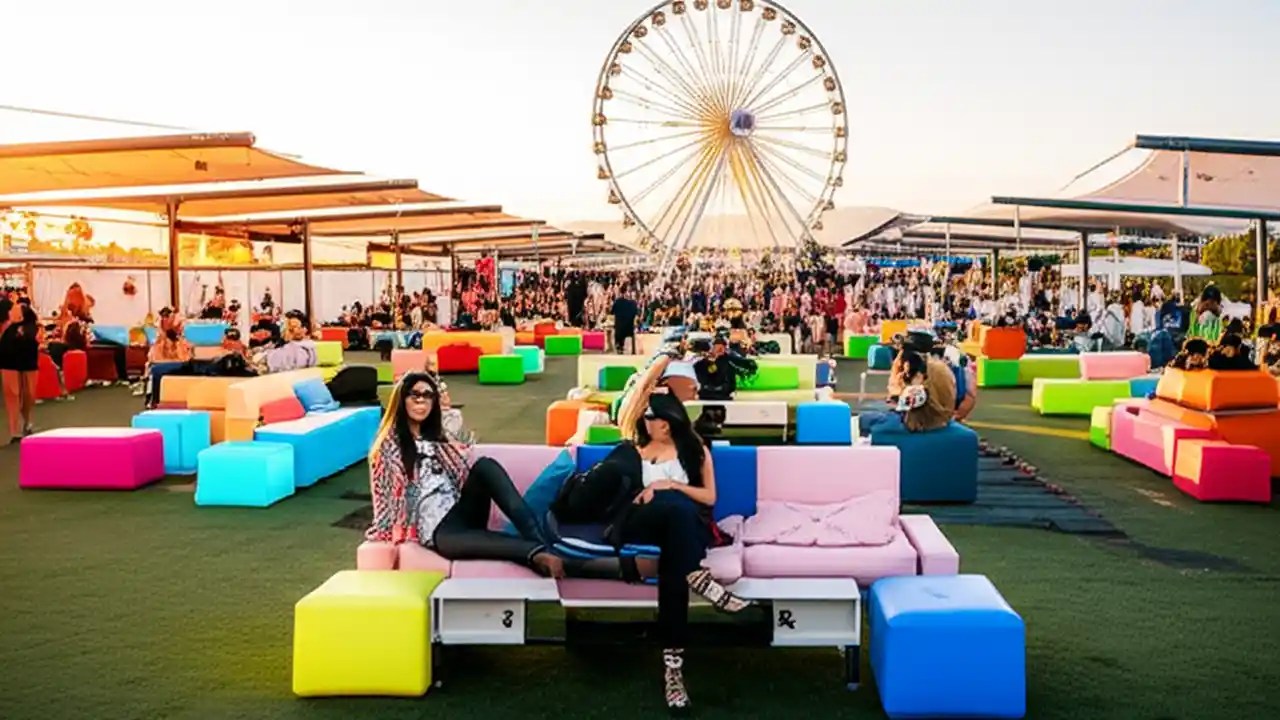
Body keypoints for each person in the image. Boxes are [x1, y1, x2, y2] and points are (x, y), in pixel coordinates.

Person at [605, 392, 750, 712]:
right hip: (641, 522)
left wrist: (671, 486)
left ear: (667, 424)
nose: (645, 422)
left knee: (678, 528)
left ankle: (673, 669)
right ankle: (697, 576)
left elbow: (709, 498)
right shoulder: (635, 450)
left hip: (685, 527)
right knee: (675, 515)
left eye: (650, 418)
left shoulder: (694, 450)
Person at [365, 372, 565, 577]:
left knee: (485, 466)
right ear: (401, 400)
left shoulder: (438, 440)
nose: (421, 400)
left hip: (461, 512)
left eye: (428, 395)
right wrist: (388, 531)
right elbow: (385, 495)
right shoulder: (389, 447)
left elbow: (466, 448)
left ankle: (541, 543)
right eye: (413, 394)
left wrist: (447, 412)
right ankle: (543, 554)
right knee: (470, 542)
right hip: (439, 530)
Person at [0, 301, 41, 442]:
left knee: (29, 394)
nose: (11, 312)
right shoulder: (6, 327)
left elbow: (37, 341)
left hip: (28, 362)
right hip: (8, 362)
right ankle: (14, 429)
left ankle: (27, 420)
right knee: (12, 394)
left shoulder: (33, 328)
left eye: (15, 310)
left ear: (21, 315)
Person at [611, 285, 639, 354]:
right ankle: (621, 346)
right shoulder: (633, 303)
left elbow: (612, 312)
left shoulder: (617, 302)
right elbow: (636, 314)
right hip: (629, 329)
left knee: (618, 327)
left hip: (619, 329)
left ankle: (619, 345)